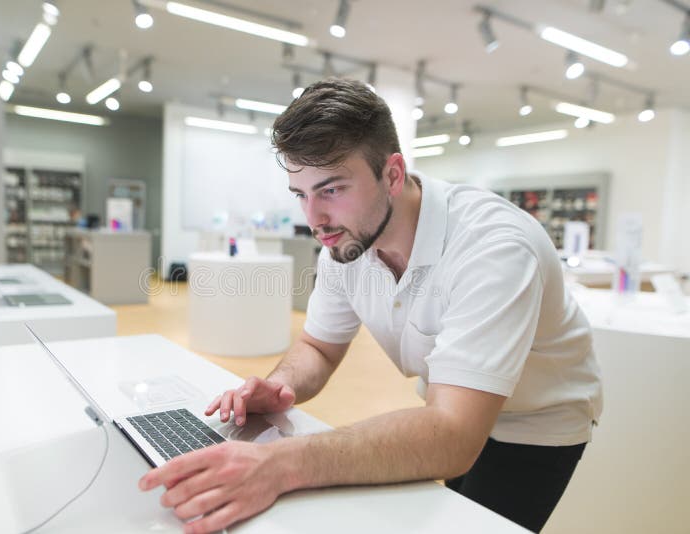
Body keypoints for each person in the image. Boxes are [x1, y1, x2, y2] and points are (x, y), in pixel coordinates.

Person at [138, 78, 603, 534]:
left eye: (332, 189)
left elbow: (453, 435)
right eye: (302, 194)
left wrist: (279, 464)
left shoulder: (493, 248)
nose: (314, 220)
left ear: (393, 174)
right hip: (452, 408)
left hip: (536, 424)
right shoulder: (346, 242)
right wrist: (279, 385)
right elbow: (318, 349)